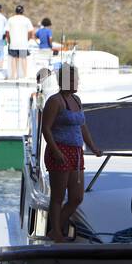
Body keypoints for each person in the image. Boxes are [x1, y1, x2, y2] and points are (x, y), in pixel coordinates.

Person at [40, 63, 100, 242]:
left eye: (77, 79)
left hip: (76, 152)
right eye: (73, 79)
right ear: (64, 81)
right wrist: (56, 151)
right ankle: (56, 232)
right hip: (59, 151)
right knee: (58, 196)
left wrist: (93, 147)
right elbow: (46, 128)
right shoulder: (55, 101)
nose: (77, 82)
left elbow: (83, 127)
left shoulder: (77, 100)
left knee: (76, 197)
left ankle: (55, 228)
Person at [4, 5, 34, 80]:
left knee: (14, 59)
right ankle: (25, 75)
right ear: (22, 11)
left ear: (15, 11)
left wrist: (9, 41)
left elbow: (7, 32)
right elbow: (31, 32)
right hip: (23, 44)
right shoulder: (26, 20)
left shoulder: (10, 19)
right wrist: (27, 39)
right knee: (23, 58)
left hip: (13, 43)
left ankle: (13, 75)